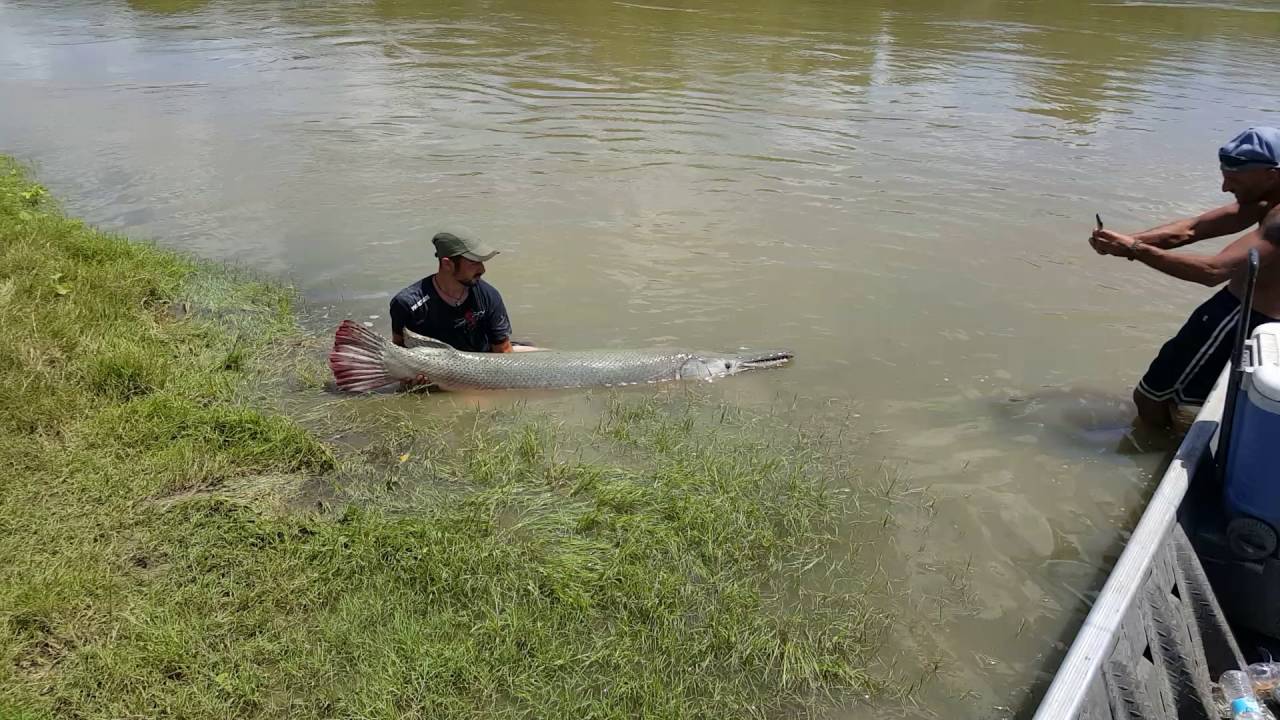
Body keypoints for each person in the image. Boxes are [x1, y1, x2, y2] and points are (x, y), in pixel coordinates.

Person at [1090, 127, 1280, 430]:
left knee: (1151, 398)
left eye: (1235, 180)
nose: (1224, 187)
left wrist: (1135, 249)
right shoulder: (1267, 198)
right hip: (1243, 313)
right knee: (1189, 399)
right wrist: (1124, 241)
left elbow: (1213, 271)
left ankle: (1158, 453)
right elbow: (1191, 229)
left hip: (1242, 317)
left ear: (1271, 175)